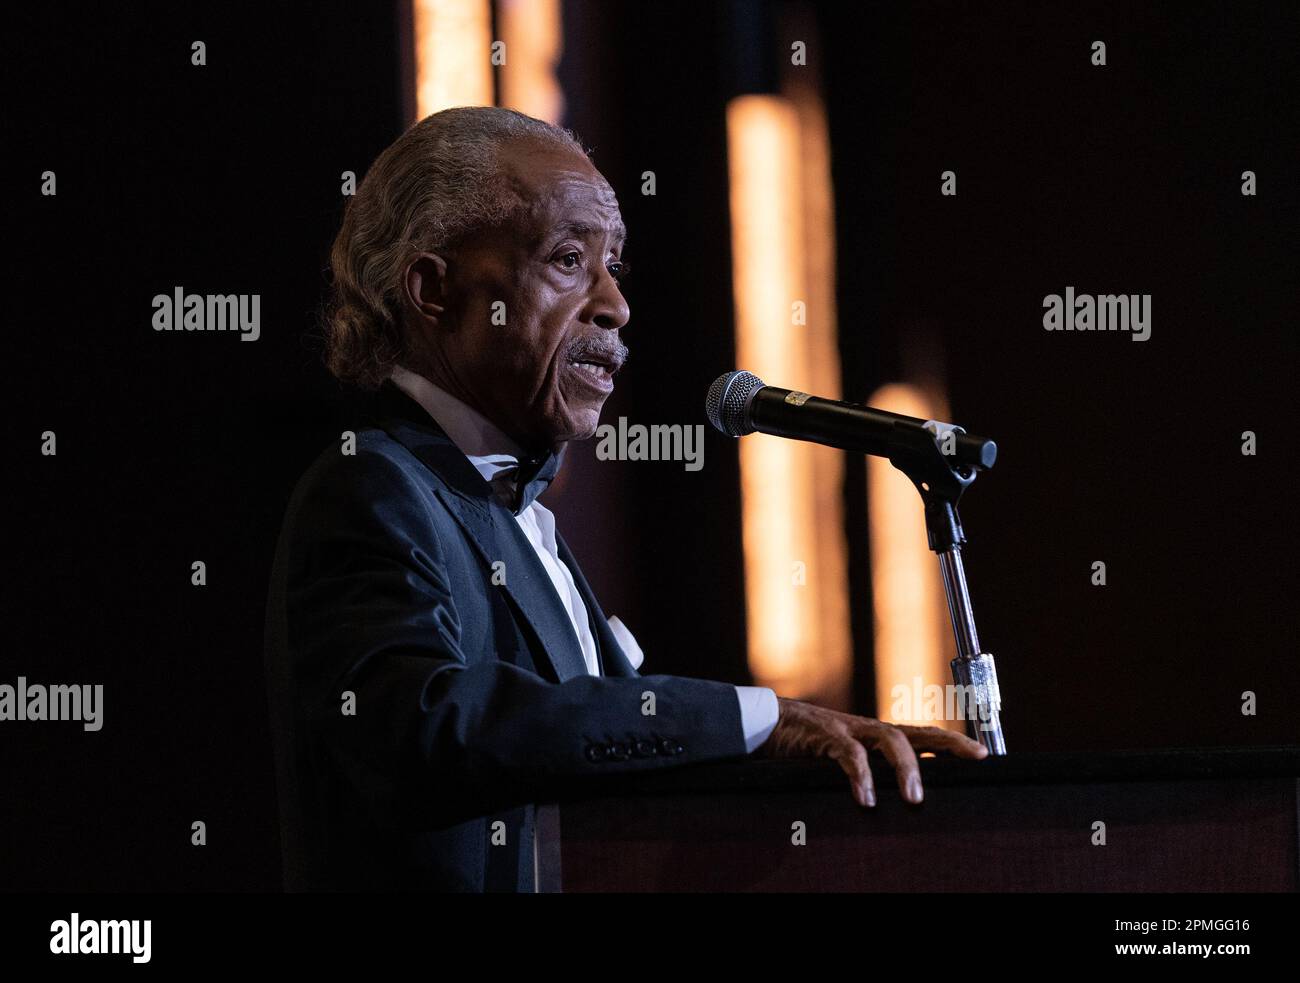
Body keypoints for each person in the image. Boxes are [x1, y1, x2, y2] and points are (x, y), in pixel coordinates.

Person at [263, 106, 987, 892]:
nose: (616, 305)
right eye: (570, 259)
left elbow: (594, 761)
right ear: (435, 290)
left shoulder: (522, 520)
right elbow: (428, 729)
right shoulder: (371, 487)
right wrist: (755, 718)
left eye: (615, 266)